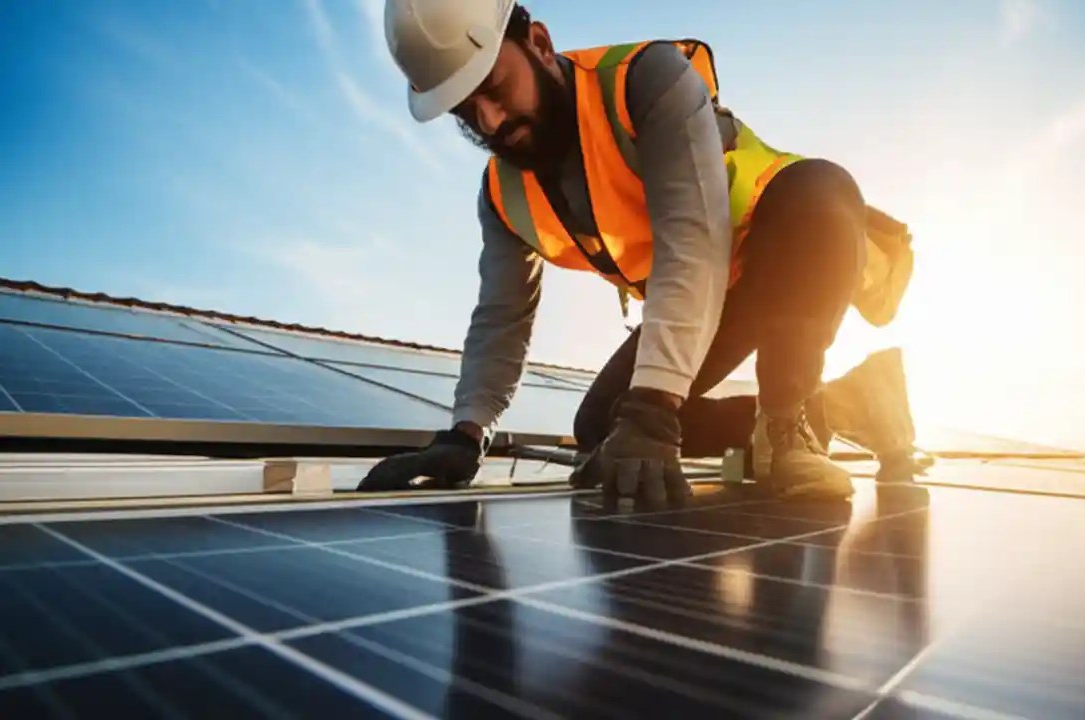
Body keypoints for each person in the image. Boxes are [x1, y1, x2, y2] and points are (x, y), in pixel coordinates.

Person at [358, 0, 915, 509]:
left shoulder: (644, 82)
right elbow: (502, 316)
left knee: (819, 186)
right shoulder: (504, 196)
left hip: (789, 253)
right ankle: (846, 407)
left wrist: (654, 406)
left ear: (540, 44)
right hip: (706, 303)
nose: (490, 122)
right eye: (465, 110)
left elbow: (691, 238)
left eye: (495, 87)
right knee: (602, 427)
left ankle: (787, 423)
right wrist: (466, 433)